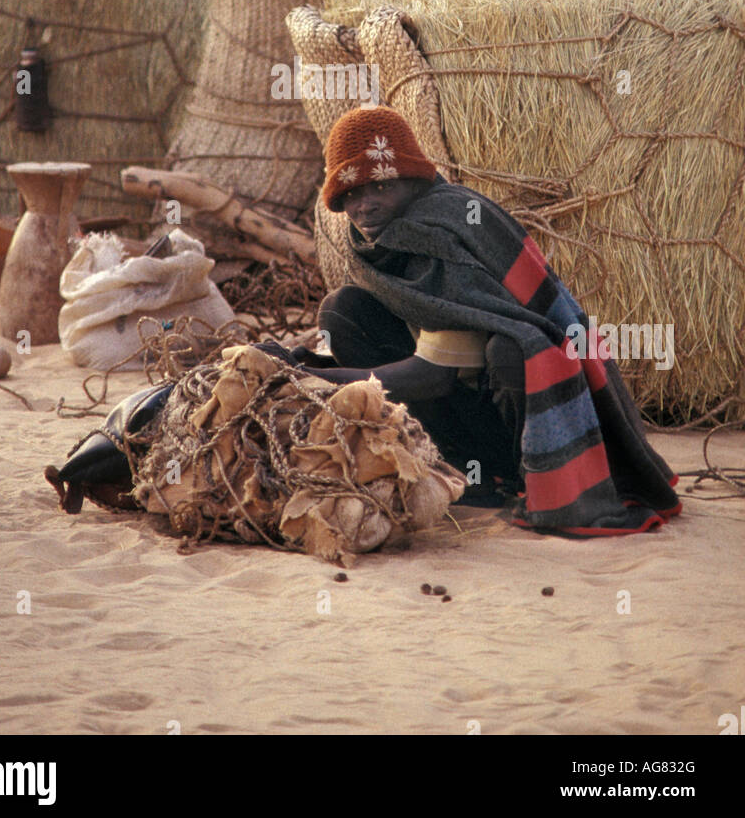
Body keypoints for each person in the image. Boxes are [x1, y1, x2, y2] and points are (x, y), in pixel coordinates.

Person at [291, 105, 681, 537]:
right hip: (465, 399)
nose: (362, 206)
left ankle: (517, 476)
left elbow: (431, 377)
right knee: (342, 310)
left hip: (524, 410)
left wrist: (308, 377)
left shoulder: (445, 227)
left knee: (515, 351)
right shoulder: (382, 240)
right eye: (349, 194)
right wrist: (314, 364)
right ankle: (448, 459)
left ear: (412, 179)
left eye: (378, 186)